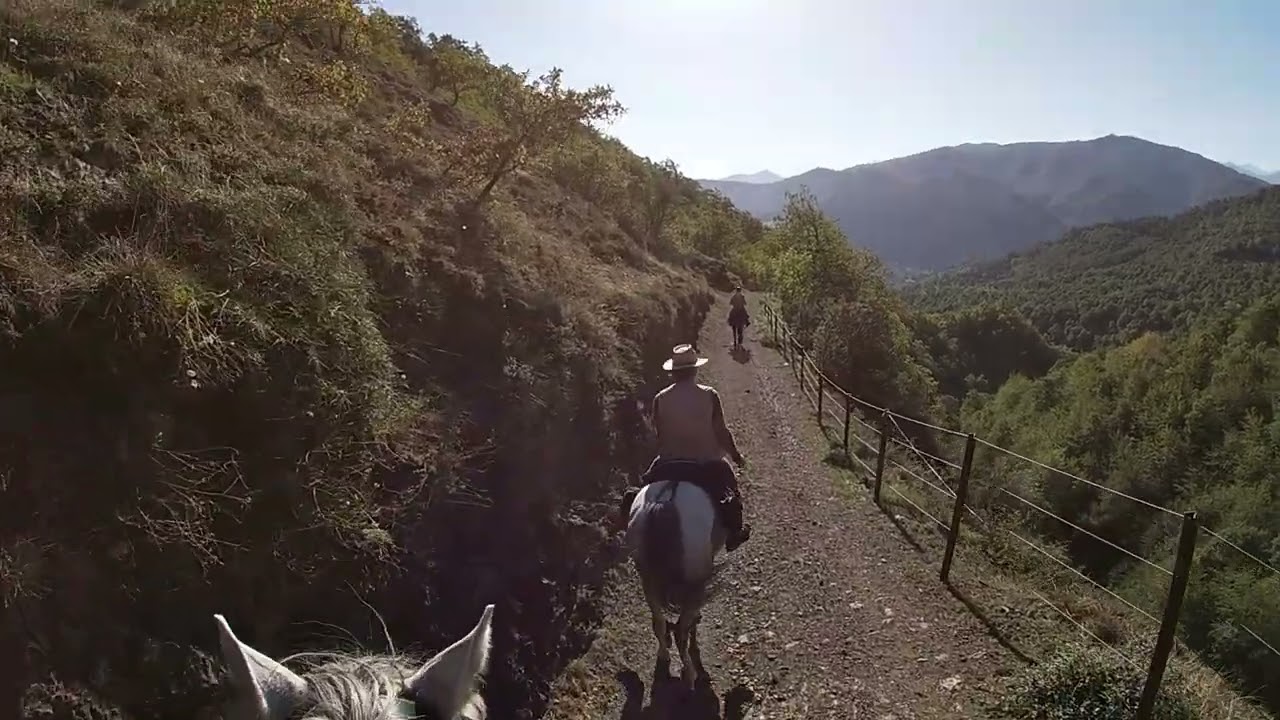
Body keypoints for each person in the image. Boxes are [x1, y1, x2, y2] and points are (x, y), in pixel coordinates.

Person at [617, 344, 752, 551]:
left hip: (669, 462)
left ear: (672, 373)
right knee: (730, 489)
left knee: (642, 487)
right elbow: (721, 432)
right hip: (706, 462)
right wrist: (736, 456)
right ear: (695, 370)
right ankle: (734, 533)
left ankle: (624, 527)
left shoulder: (660, 399)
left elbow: (660, 436)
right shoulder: (709, 395)